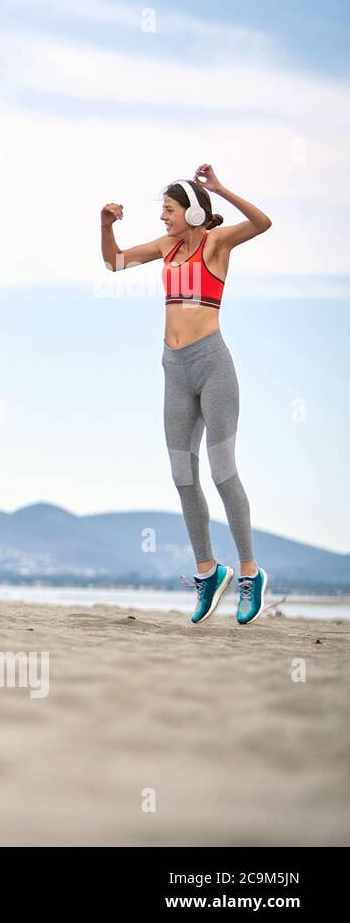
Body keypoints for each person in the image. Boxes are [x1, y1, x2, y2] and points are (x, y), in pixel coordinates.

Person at [100, 164, 272, 624]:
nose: (163, 218)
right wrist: (105, 225)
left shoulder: (217, 245)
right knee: (182, 475)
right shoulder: (166, 248)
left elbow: (262, 223)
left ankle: (251, 574)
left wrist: (219, 189)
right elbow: (113, 262)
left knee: (222, 471)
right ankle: (208, 571)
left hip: (212, 364)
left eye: (169, 210)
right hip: (173, 369)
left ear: (193, 213)